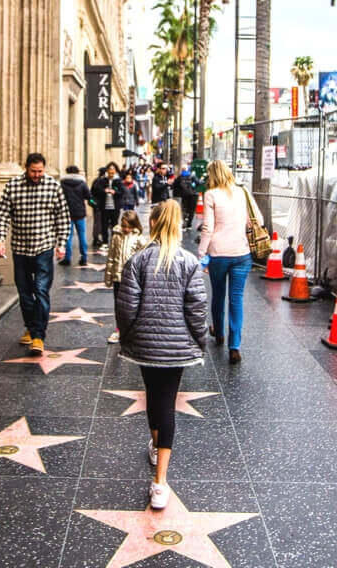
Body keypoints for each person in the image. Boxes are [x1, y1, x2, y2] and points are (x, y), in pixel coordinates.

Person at [116, 200, 207, 510]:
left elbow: (126, 307)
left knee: (154, 397)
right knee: (165, 401)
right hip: (178, 346)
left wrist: (127, 337)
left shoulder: (138, 261)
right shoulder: (189, 262)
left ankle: (156, 450)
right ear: (178, 225)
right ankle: (160, 483)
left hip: (144, 344)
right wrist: (200, 340)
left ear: (152, 223)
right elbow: (196, 309)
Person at [0, 153, 70, 356]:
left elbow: (62, 217)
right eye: (33, 171)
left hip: (44, 247)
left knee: (41, 290)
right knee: (25, 293)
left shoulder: (53, 186)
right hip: (20, 248)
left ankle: (38, 336)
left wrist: (61, 245)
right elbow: (1, 214)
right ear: (25, 168)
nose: (37, 175)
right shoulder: (13, 186)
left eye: (40, 171)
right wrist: (0, 240)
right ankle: (30, 326)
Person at [198, 159, 262, 364]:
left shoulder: (210, 194)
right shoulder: (242, 192)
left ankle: (218, 332)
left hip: (218, 253)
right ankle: (234, 346)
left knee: (218, 295)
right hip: (242, 252)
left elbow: (207, 227)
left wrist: (201, 254)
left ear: (212, 175)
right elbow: (258, 220)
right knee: (236, 299)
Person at [104, 210, 148, 344]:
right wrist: (108, 275)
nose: (126, 229)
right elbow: (111, 256)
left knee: (133, 304)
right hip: (118, 277)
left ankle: (133, 330)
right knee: (118, 304)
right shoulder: (116, 236)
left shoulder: (140, 238)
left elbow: (144, 259)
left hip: (132, 278)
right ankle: (119, 330)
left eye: (129, 226)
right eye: (124, 226)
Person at [59, 165, 90, 266]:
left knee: (68, 236)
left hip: (67, 213)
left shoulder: (62, 183)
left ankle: (67, 258)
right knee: (82, 235)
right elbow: (88, 196)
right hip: (80, 213)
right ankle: (84, 258)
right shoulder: (82, 183)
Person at [92, 162, 123, 248]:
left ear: (115, 171)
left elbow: (122, 192)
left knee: (115, 225)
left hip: (115, 207)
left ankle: (114, 242)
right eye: (109, 172)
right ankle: (105, 242)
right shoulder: (103, 180)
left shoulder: (118, 181)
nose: (111, 174)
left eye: (113, 172)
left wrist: (115, 192)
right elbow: (96, 190)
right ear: (107, 171)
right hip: (104, 206)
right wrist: (104, 190)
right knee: (104, 225)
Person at [173, 164, 198, 229]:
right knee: (191, 210)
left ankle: (185, 223)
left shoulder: (180, 177)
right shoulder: (192, 176)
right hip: (192, 195)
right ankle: (189, 224)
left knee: (184, 209)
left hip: (184, 195)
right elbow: (197, 182)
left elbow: (175, 186)